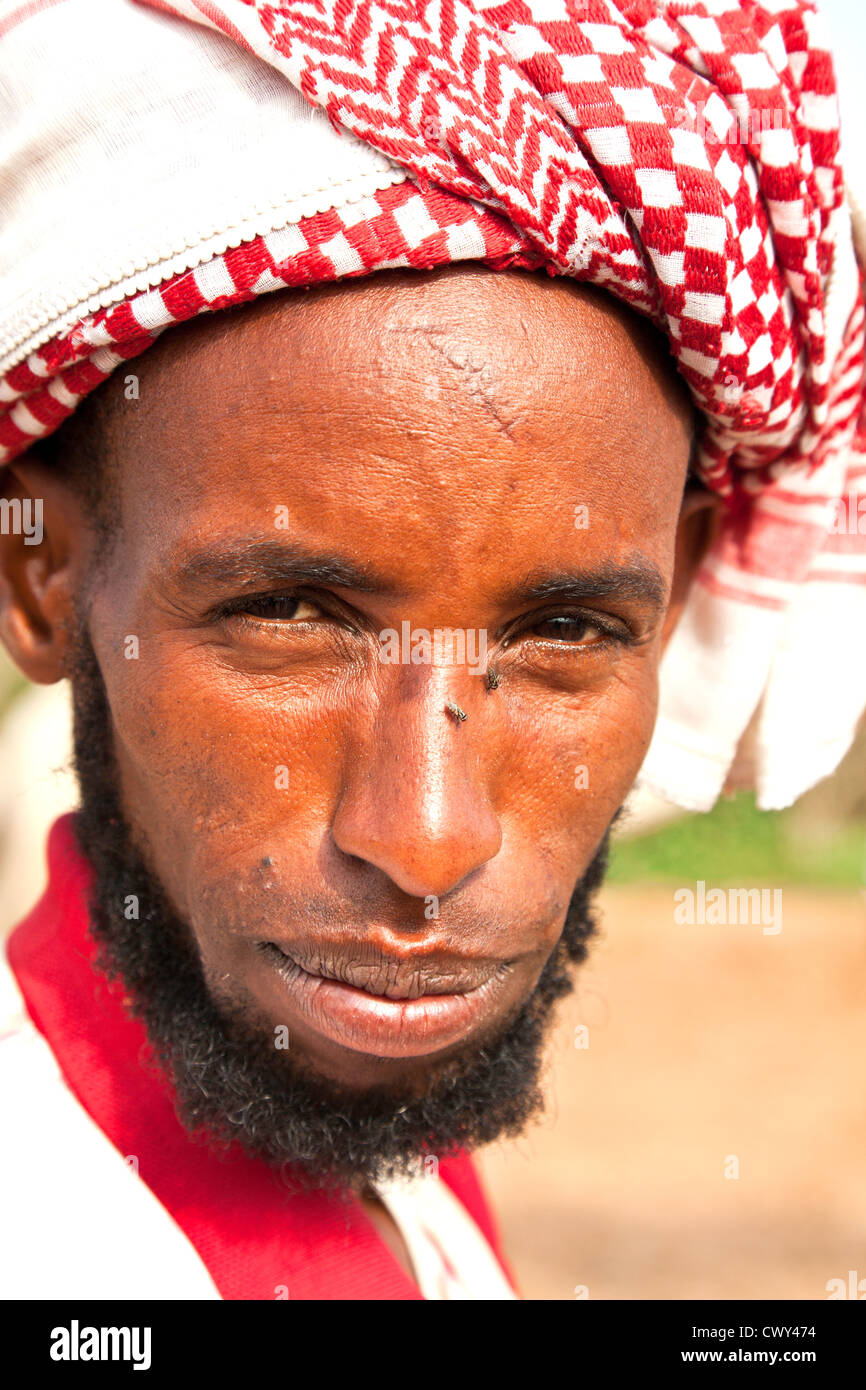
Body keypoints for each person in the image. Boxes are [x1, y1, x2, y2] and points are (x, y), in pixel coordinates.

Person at [0, 0, 863, 1300]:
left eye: (564, 630)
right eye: (289, 615)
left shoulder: (401, 1168)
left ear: (677, 592)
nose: (424, 841)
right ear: (41, 574)